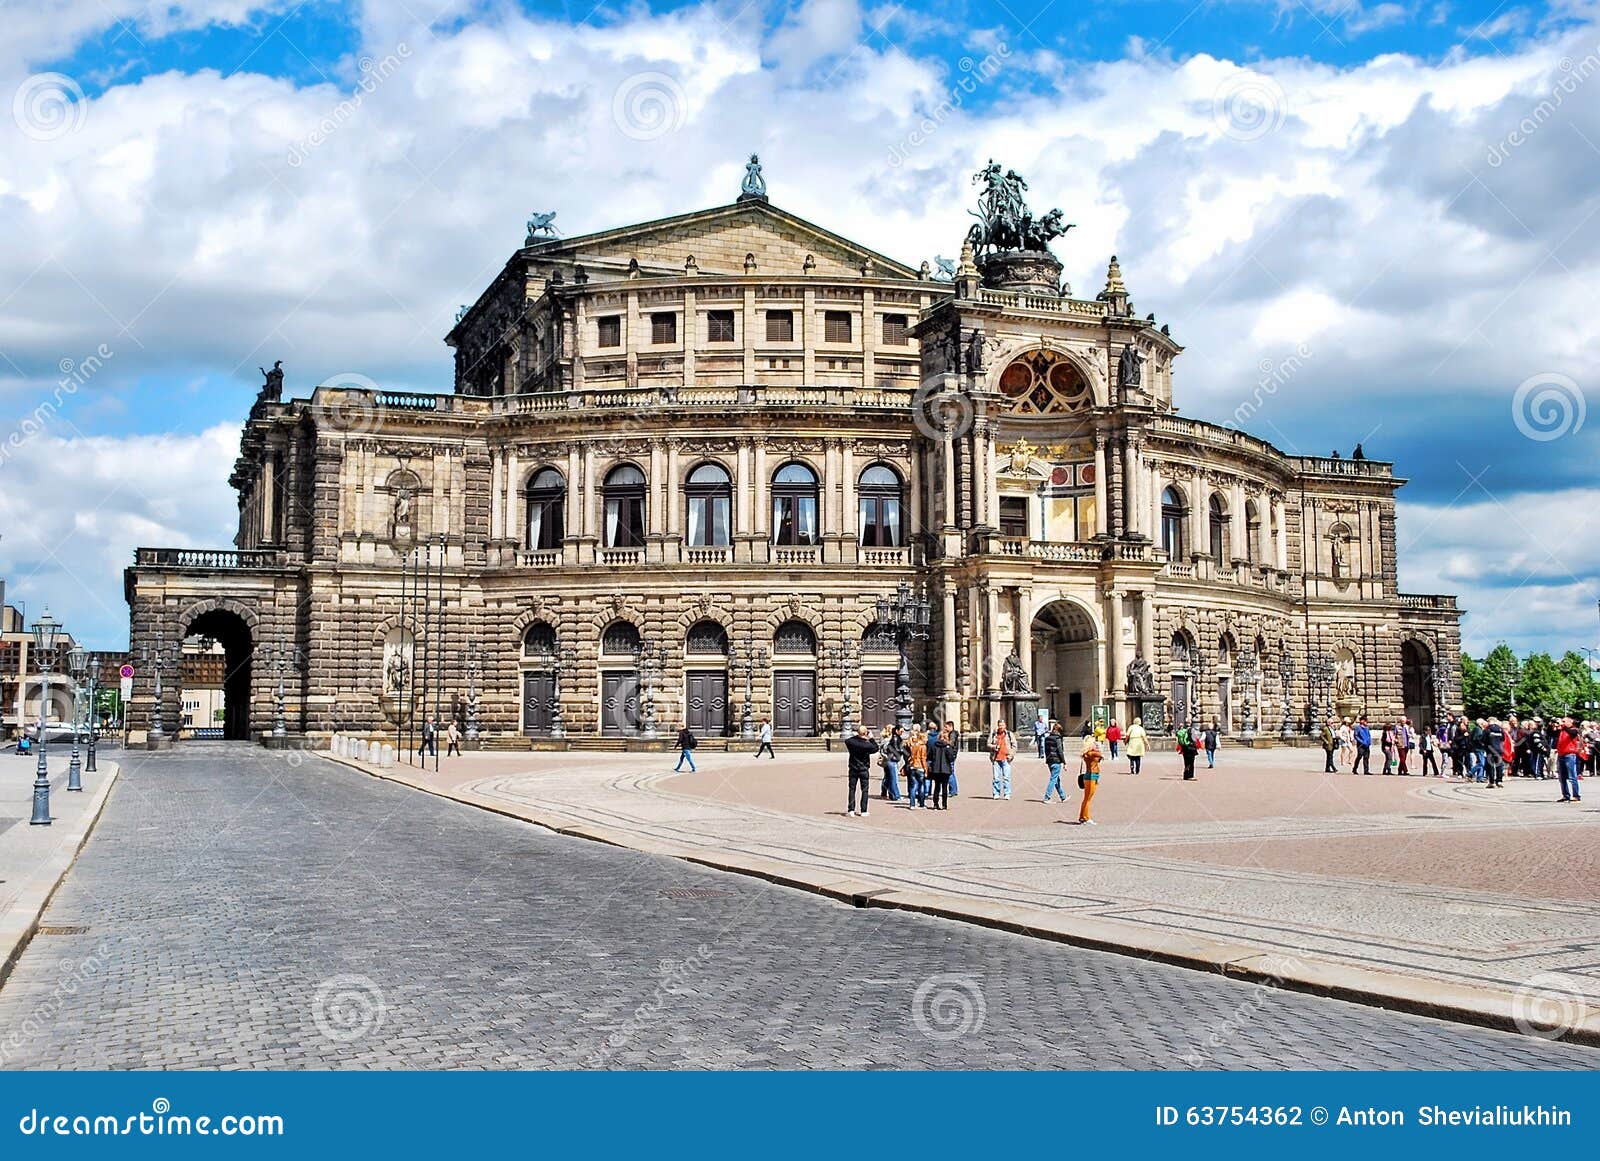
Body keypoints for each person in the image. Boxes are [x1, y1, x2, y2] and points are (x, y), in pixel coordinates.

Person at [843, 724, 879, 817]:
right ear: (866, 733)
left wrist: (858, 735)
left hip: (853, 768)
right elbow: (876, 748)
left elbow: (847, 740)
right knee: (865, 790)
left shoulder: (851, 742)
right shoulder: (867, 745)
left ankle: (851, 810)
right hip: (864, 769)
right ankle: (863, 810)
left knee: (852, 789)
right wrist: (870, 738)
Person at [927, 722, 954, 809]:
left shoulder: (934, 746)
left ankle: (935, 804)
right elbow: (951, 758)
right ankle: (944, 805)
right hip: (945, 769)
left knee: (937, 787)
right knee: (944, 788)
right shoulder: (948, 746)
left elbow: (930, 756)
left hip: (936, 769)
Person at [1556, 716, 1584, 802]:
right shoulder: (1562, 730)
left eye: (1564, 721)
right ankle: (1565, 795)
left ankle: (1576, 795)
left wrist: (1563, 726)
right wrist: (1552, 724)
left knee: (1572, 776)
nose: (1562, 723)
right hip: (1561, 754)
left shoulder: (1574, 730)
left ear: (1570, 722)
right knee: (1562, 777)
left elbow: (1572, 733)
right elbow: (1550, 733)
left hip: (1570, 754)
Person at [1078, 738, 1103, 824]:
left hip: (1092, 775)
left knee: (1086, 798)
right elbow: (1100, 754)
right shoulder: (1091, 753)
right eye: (1093, 743)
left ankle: (1082, 816)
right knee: (1088, 799)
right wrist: (1098, 747)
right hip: (1091, 776)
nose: (1095, 744)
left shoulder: (1088, 753)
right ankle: (1086, 817)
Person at [1042, 720, 1067, 802]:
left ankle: (1063, 796)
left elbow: (1046, 750)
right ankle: (1047, 797)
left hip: (1050, 761)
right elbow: (1060, 751)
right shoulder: (1057, 739)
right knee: (1053, 779)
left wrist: (1048, 759)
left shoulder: (1047, 738)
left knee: (1056, 779)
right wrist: (1064, 762)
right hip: (1056, 761)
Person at [989, 721, 1014, 799]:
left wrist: (1011, 755)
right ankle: (996, 793)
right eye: (1000, 725)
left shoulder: (1009, 734)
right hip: (996, 758)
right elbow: (988, 743)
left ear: (1005, 726)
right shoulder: (994, 734)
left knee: (1006, 778)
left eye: (1002, 725)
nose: (1001, 727)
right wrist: (994, 747)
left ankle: (1007, 793)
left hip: (1006, 758)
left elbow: (1014, 745)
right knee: (996, 778)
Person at [906, 724, 929, 809]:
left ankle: (912, 804)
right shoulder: (923, 747)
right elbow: (923, 758)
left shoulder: (914, 746)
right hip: (920, 767)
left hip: (913, 767)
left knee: (913, 786)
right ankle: (921, 804)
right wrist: (926, 769)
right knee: (921, 786)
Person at [880, 725, 905, 802]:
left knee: (889, 778)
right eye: (901, 731)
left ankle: (891, 795)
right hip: (892, 760)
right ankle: (896, 796)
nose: (902, 733)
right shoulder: (893, 739)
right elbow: (895, 749)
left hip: (890, 760)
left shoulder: (894, 738)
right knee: (894, 779)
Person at [1482, 717, 1508, 788]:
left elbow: (1483, 739)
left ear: (1489, 721)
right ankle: (1499, 781)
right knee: (1499, 765)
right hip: (1499, 750)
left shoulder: (1487, 729)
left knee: (1491, 766)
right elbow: (1503, 739)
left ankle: (1492, 782)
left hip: (1490, 750)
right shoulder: (1500, 729)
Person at [945, 720, 961, 795]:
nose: (945, 728)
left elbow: (951, 743)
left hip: (951, 754)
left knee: (950, 772)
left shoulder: (952, 734)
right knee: (951, 771)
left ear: (951, 726)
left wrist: (944, 741)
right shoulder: (953, 733)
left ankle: (953, 790)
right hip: (952, 754)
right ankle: (953, 790)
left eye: (946, 727)